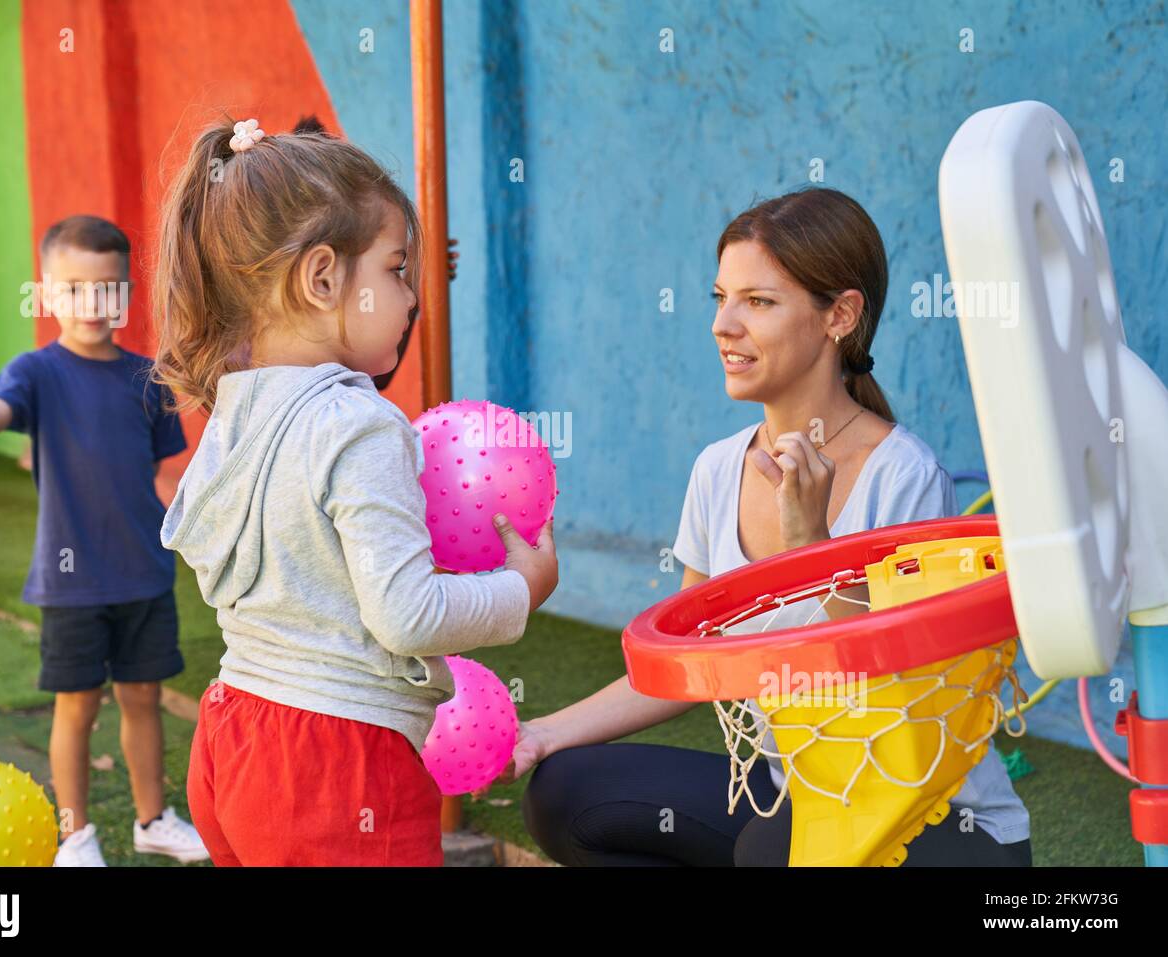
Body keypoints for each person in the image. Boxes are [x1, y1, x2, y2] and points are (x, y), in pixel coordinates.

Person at [515, 188, 1032, 867]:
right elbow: (686, 663)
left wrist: (813, 546)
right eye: (720, 296)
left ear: (839, 316)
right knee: (566, 793)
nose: (724, 324)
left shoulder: (904, 477)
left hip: (938, 821)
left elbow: (895, 698)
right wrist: (543, 733)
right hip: (806, 801)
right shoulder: (716, 470)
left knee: (771, 847)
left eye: (758, 302)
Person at [153, 118, 558, 865]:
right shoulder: (360, 422)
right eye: (398, 269)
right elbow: (407, 615)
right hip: (338, 768)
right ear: (322, 278)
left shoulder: (234, 407)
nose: (412, 296)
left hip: (231, 739)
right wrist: (521, 589)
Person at [0, 215, 206, 866]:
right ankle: (77, 834)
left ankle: (152, 818)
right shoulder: (35, 372)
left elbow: (163, 476)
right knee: (77, 707)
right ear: (48, 294)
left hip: (144, 575)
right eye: (75, 288)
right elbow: (2, 408)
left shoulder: (147, 378)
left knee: (143, 700)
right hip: (71, 584)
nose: (92, 303)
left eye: (108, 288)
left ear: (125, 293)